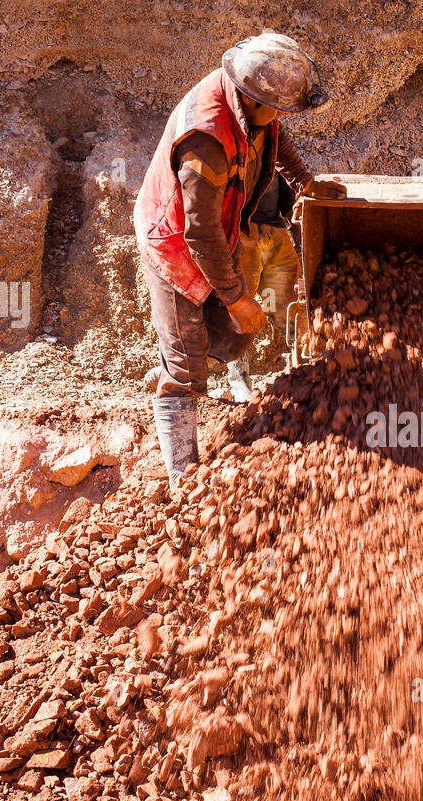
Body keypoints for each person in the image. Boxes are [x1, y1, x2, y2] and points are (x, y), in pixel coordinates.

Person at [134, 33, 343, 484]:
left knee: (231, 335)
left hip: (217, 225)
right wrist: (236, 298)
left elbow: (274, 140)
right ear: (254, 98)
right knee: (191, 361)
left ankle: (179, 357)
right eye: (281, 110)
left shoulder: (249, 103)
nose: (283, 118)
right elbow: (199, 235)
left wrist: (305, 184)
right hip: (176, 242)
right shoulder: (205, 139)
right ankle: (183, 475)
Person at [234, 172, 302, 389]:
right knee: (239, 306)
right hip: (241, 231)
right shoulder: (233, 145)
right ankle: (239, 380)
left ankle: (299, 370)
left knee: (291, 306)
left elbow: (290, 204)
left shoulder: (273, 148)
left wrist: (301, 242)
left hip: (276, 233)